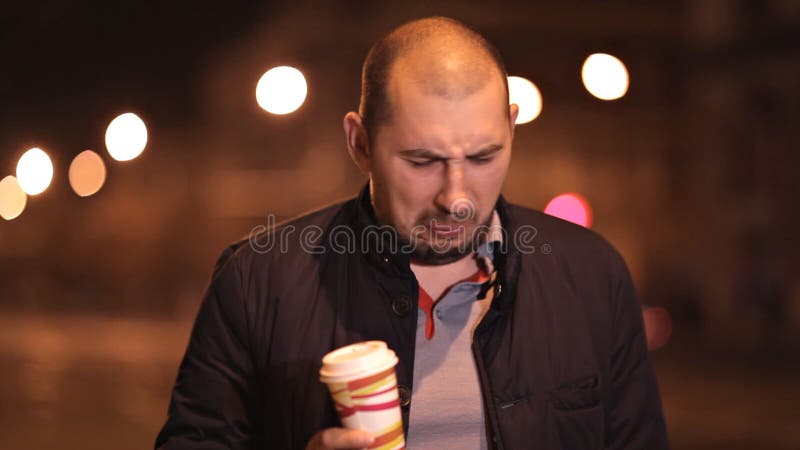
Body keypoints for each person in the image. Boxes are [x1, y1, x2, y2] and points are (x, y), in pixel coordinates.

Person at [155, 16, 668, 449]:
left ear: (512, 127)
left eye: (484, 156)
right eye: (423, 161)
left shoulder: (594, 276)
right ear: (359, 143)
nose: (457, 195)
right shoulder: (256, 284)